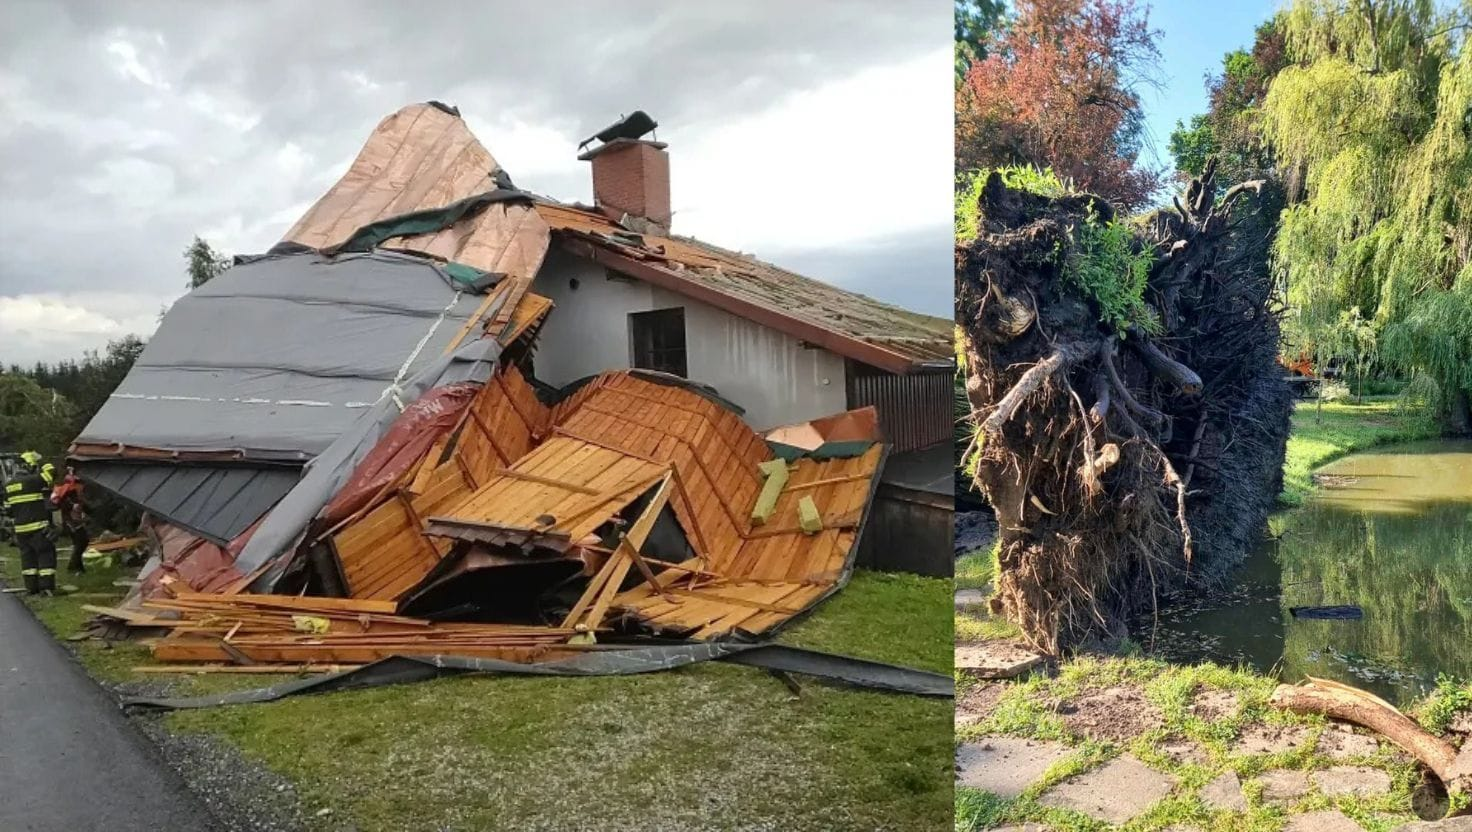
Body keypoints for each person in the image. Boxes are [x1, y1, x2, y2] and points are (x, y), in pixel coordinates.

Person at [4, 451, 59, 594]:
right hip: (38, 527)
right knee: (45, 554)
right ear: (28, 468)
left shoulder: (8, 486)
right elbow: (51, 472)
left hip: (21, 530)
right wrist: (41, 462)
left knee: (27, 558)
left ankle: (31, 588)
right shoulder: (33, 481)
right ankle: (46, 588)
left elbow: (8, 510)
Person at [51, 468, 89, 574]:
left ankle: (78, 567)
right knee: (81, 542)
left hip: (73, 520)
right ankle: (73, 567)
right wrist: (73, 506)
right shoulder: (69, 492)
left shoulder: (73, 492)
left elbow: (82, 505)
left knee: (80, 542)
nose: (82, 487)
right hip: (71, 521)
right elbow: (65, 505)